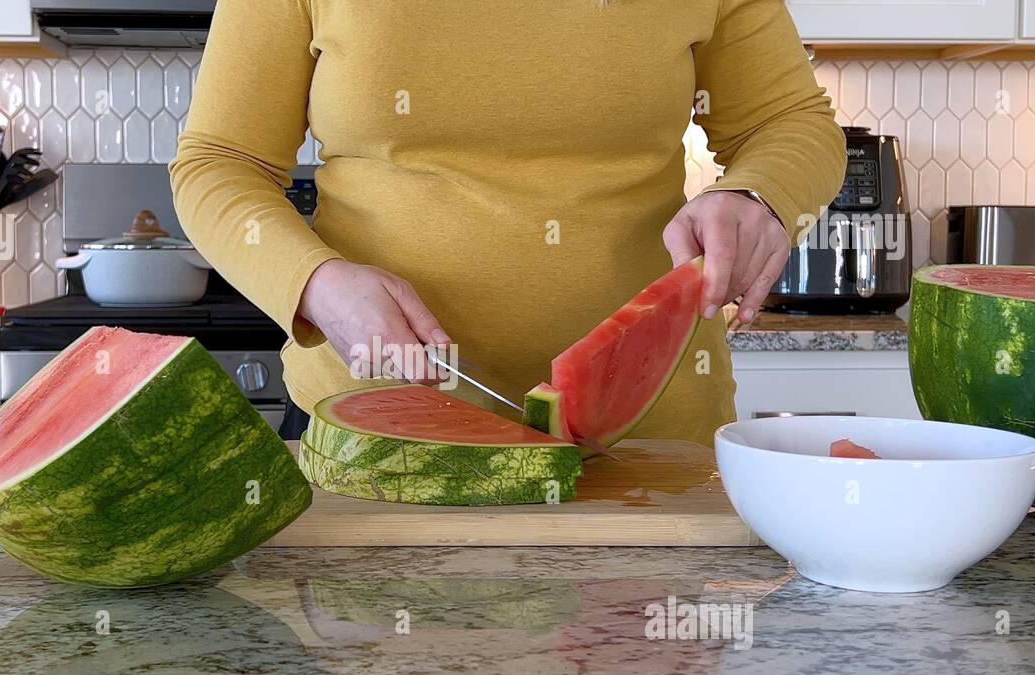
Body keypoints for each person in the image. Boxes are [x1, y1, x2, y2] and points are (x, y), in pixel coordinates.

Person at [170, 0, 846, 445]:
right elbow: (218, 161)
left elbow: (790, 122)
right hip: (378, 428)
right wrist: (316, 282)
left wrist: (761, 197)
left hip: (653, 443)